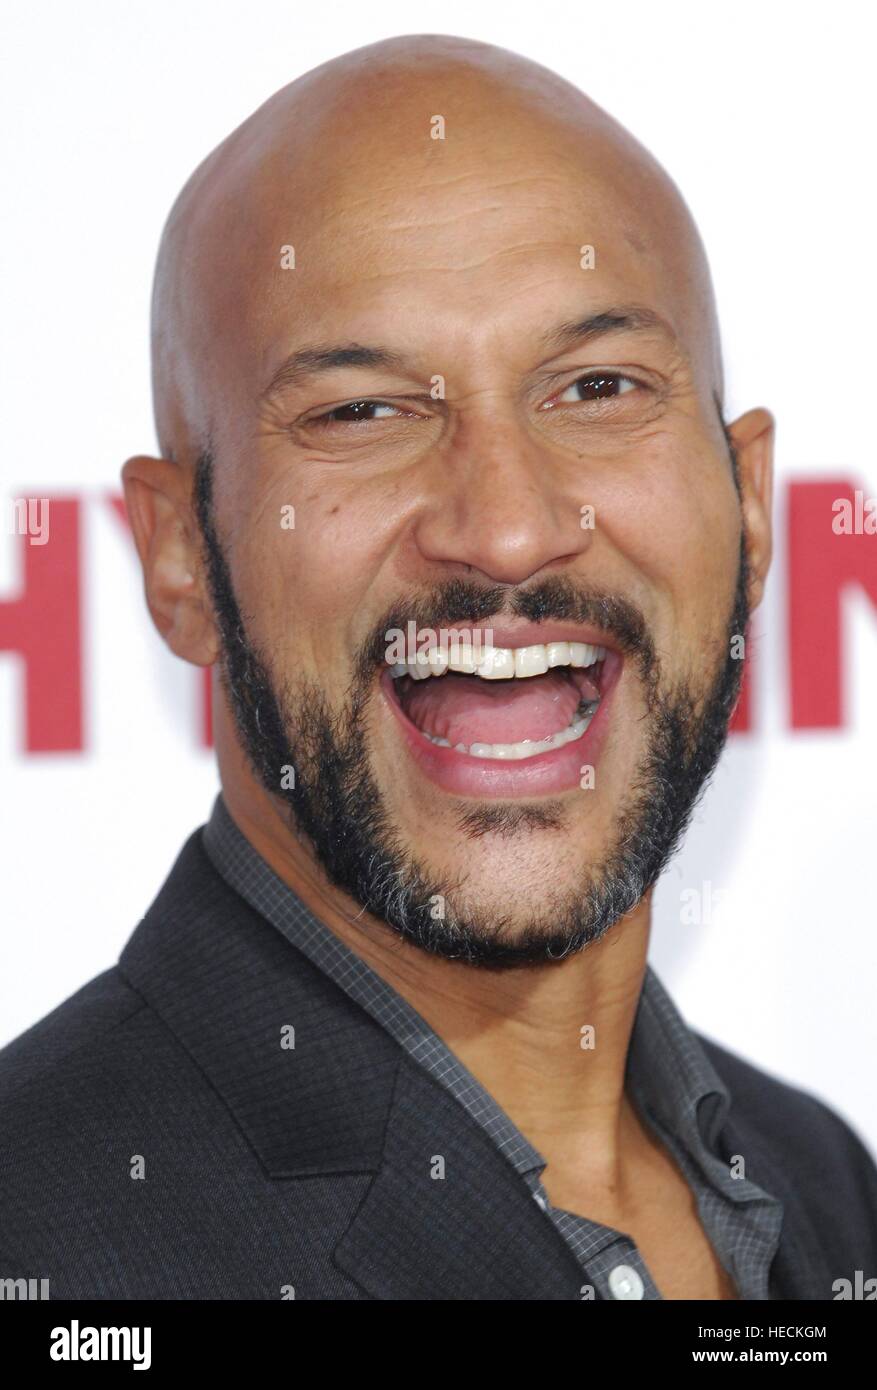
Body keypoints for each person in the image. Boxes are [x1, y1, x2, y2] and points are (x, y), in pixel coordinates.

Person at [1, 34, 874, 1301]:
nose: (506, 524)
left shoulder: (823, 1189)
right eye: (362, 411)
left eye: (596, 386)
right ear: (182, 554)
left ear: (747, 509)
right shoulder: (45, 1249)